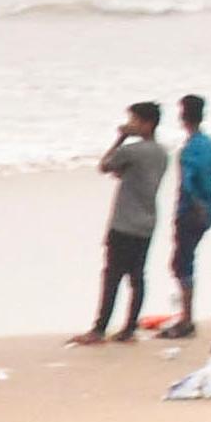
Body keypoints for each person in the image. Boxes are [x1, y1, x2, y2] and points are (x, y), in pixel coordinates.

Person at [84, 100, 165, 343]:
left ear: (147, 124)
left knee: (112, 276)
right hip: (147, 221)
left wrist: (120, 138)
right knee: (137, 276)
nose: (130, 125)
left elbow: (105, 165)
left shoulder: (133, 150)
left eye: (134, 121)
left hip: (124, 222)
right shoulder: (161, 153)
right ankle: (129, 327)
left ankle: (100, 328)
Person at [163, 95, 211, 338]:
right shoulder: (209, 145)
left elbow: (188, 185)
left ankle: (187, 319)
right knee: (185, 261)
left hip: (189, 212)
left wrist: (195, 202)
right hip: (209, 209)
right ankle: (186, 315)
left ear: (183, 117)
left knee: (182, 263)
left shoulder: (188, 151)